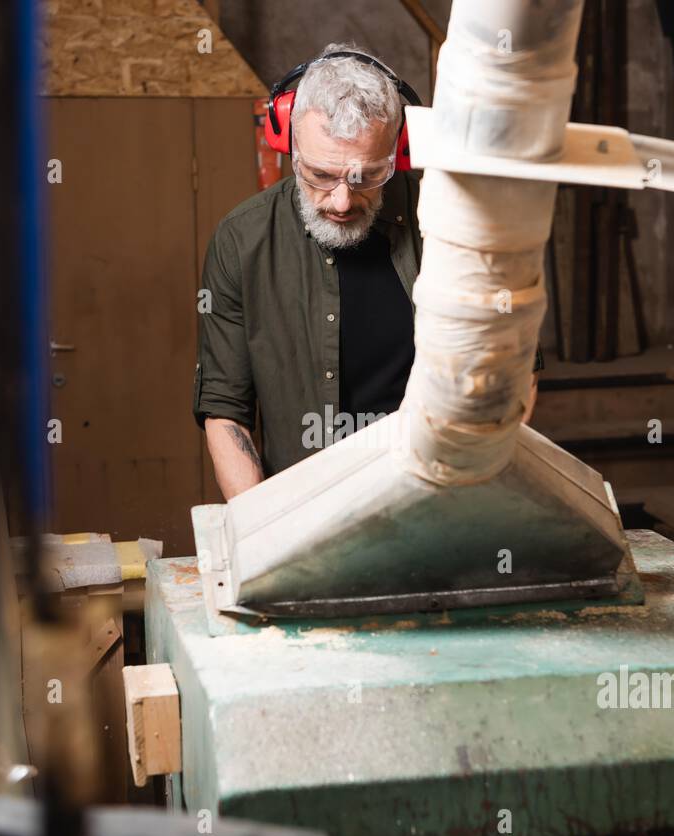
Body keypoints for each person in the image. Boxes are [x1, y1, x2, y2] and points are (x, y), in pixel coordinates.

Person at [193, 43, 540, 499]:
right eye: (319, 175)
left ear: (399, 150)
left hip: (438, 501)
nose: (341, 201)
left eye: (366, 177)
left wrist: (469, 494)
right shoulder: (241, 240)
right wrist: (258, 531)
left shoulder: (454, 226)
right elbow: (225, 408)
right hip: (302, 510)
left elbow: (515, 373)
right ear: (288, 145)